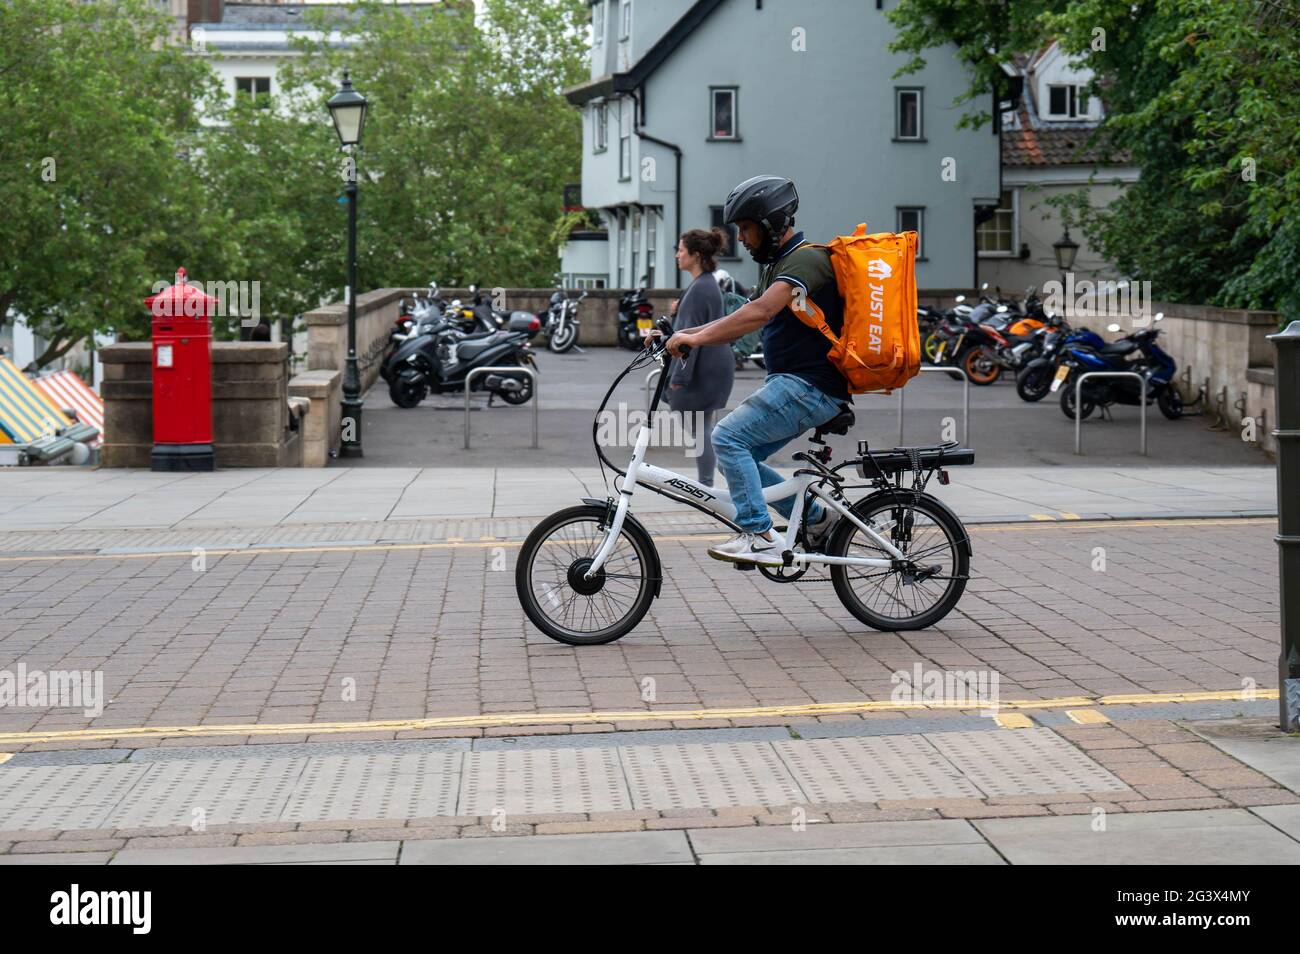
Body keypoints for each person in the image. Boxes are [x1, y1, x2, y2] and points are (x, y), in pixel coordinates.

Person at [666, 175, 847, 566]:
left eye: (747, 228)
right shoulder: (777, 266)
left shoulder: (806, 260)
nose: (743, 239)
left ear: (771, 223)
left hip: (810, 386)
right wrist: (681, 333)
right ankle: (817, 521)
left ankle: (759, 535)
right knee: (740, 451)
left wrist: (693, 340)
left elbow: (758, 313)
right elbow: (740, 316)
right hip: (796, 386)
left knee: (727, 438)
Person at [666, 228, 735, 486]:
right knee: (700, 426)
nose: (677, 255)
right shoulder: (704, 284)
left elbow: (688, 340)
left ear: (695, 255)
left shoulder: (699, 289)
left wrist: (679, 378)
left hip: (703, 368)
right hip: (713, 364)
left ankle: (706, 485)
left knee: (698, 428)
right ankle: (707, 482)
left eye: (681, 250)